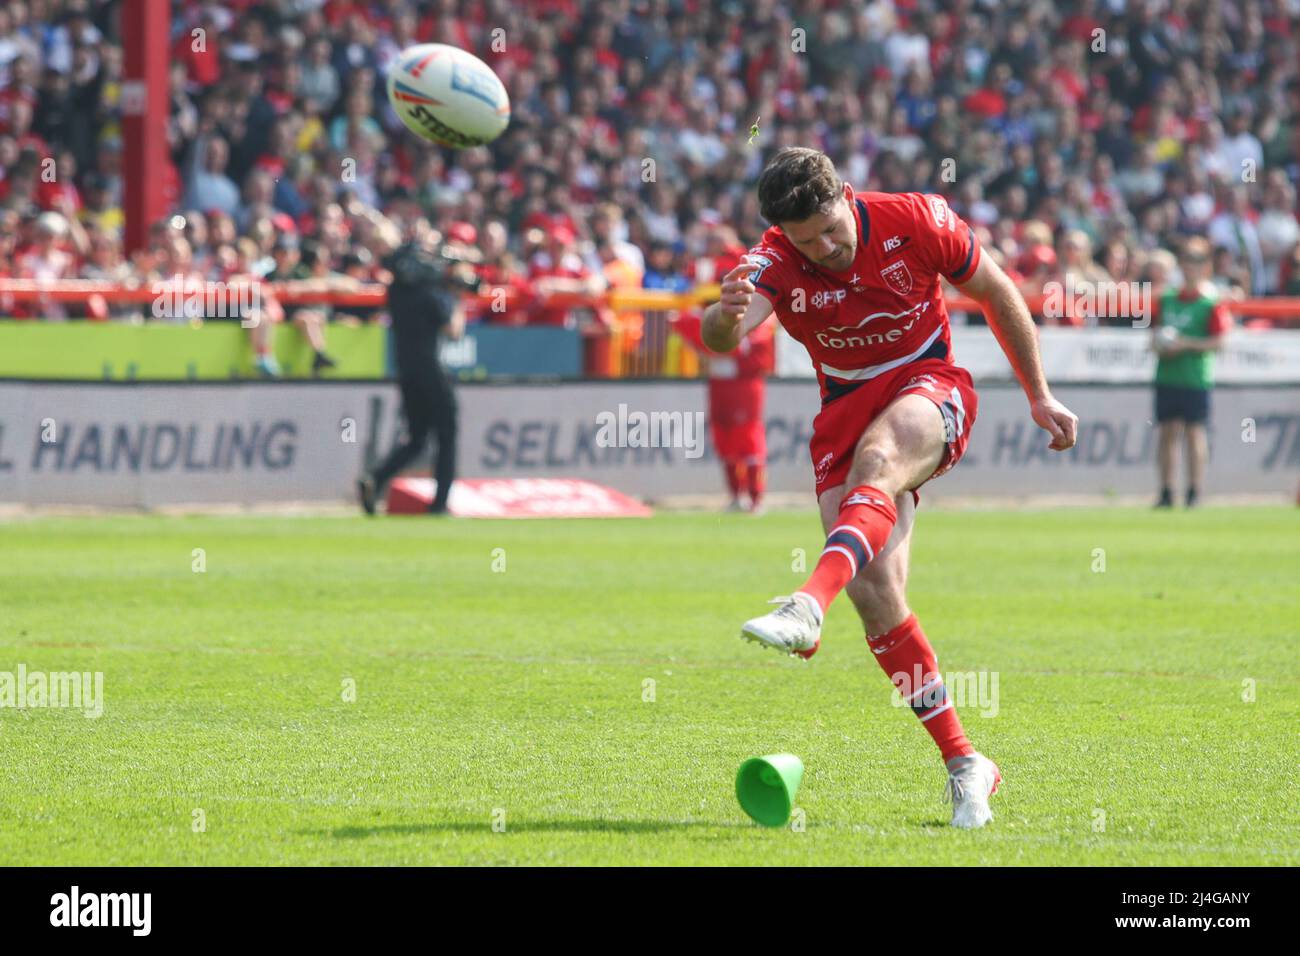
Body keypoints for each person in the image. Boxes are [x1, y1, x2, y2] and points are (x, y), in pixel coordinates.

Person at [701, 148, 1079, 829]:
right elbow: (721, 336)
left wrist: (1039, 395)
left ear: (846, 195)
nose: (825, 247)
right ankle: (967, 763)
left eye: (828, 228)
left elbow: (996, 293)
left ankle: (807, 603)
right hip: (842, 408)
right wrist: (725, 315)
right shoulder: (774, 258)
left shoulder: (916, 219)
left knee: (879, 459)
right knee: (876, 595)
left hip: (927, 386)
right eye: (806, 240)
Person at [357, 222, 468, 516]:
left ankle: (377, 477)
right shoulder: (428, 293)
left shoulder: (396, 290)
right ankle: (440, 503)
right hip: (432, 368)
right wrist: (457, 299)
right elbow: (453, 330)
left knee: (417, 437)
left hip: (406, 369)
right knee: (447, 432)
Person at [1151, 237, 1231, 509]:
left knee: (1194, 433)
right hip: (1167, 374)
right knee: (1168, 433)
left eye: (1196, 262)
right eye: (1186, 261)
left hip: (1195, 376)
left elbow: (1219, 342)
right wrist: (1159, 346)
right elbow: (1155, 335)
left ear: (1205, 268)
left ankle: (1195, 490)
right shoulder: (1168, 299)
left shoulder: (1210, 303)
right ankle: (1166, 491)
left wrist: (1186, 344)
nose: (1190, 268)